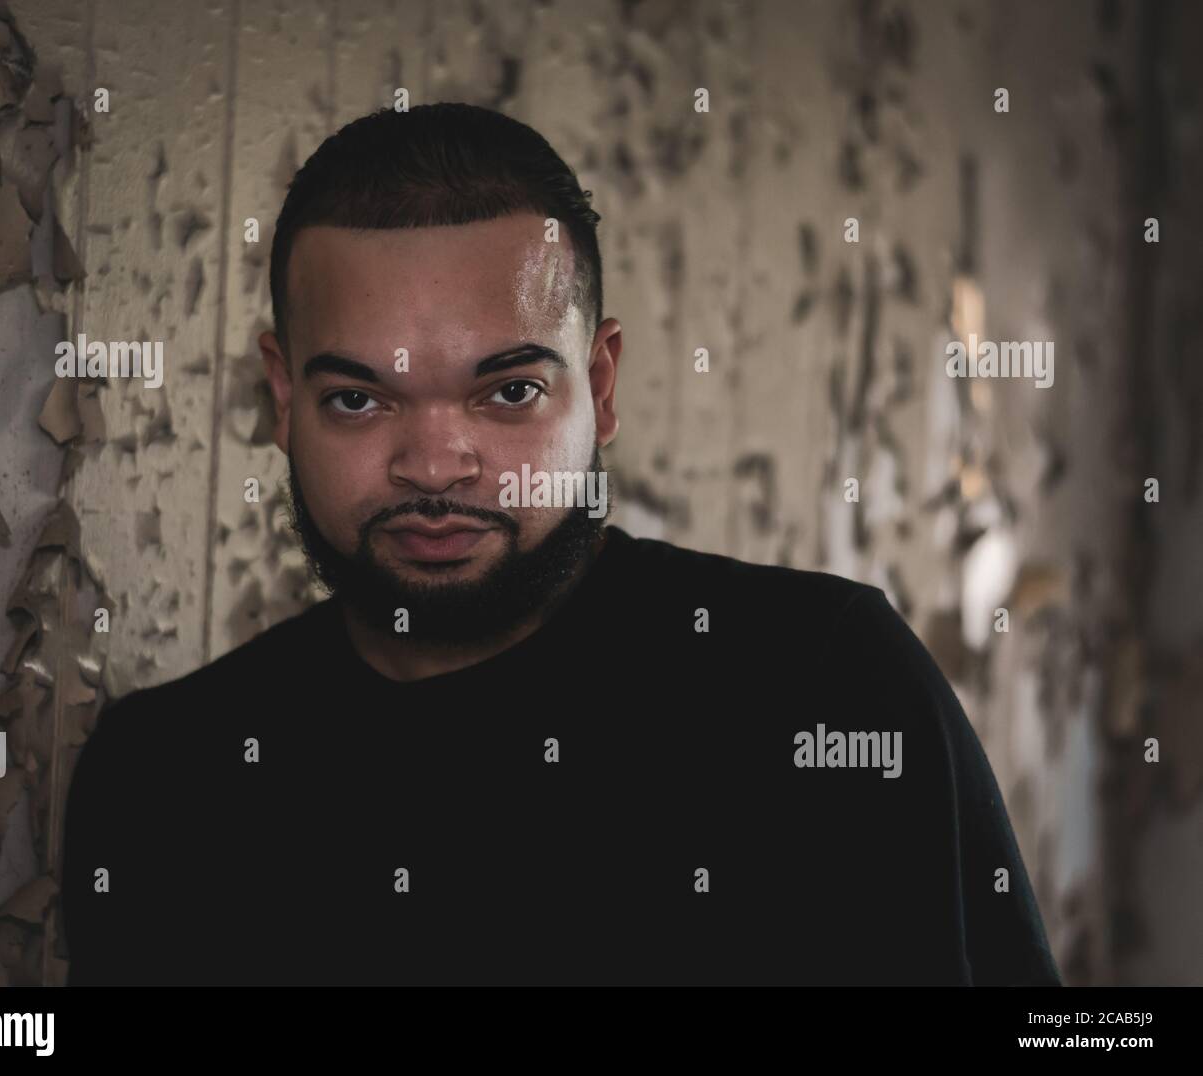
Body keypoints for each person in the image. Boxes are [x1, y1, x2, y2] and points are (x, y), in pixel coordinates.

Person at [61, 102, 1061, 986]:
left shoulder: (821, 680)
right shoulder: (166, 778)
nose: (436, 465)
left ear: (603, 385)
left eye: (508, 391)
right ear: (284, 398)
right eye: (358, 398)